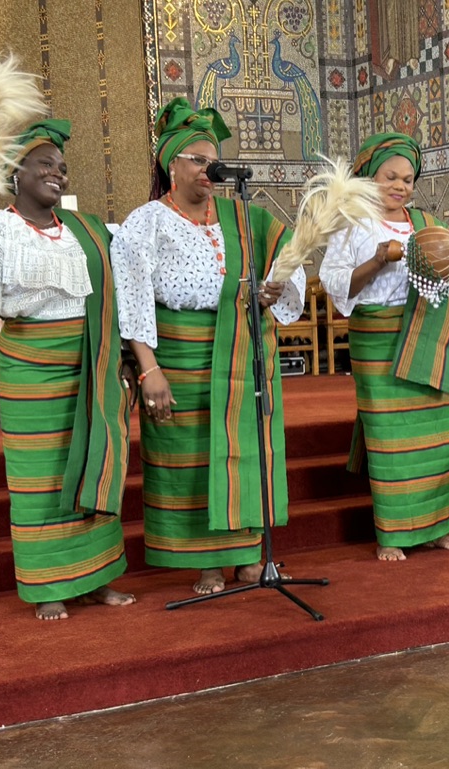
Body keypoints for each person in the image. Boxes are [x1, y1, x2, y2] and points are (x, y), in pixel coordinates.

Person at [111, 97, 305, 595]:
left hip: (241, 352)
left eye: (211, 158)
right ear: (169, 163)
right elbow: (132, 300)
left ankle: (246, 554)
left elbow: (287, 263)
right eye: (196, 158)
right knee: (194, 457)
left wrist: (273, 288)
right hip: (180, 354)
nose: (207, 168)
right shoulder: (147, 223)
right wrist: (149, 369)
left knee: (243, 450)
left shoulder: (245, 218)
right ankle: (206, 563)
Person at [0, 119, 135, 620]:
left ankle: (97, 577)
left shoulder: (83, 232)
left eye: (62, 167)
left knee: (91, 465)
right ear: (17, 172)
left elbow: (112, 299)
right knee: (41, 478)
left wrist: (121, 361)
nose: (57, 174)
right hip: (32, 370)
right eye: (45, 164)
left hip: (87, 365)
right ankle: (49, 584)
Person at [320, 132, 449, 561]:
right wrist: (378, 259)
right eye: (391, 176)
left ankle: (437, 528)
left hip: (428, 334)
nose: (400, 186)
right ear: (370, 175)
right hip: (378, 338)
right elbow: (336, 286)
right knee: (390, 439)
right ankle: (392, 534)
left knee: (439, 436)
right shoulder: (350, 222)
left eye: (408, 179)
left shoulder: (426, 224)